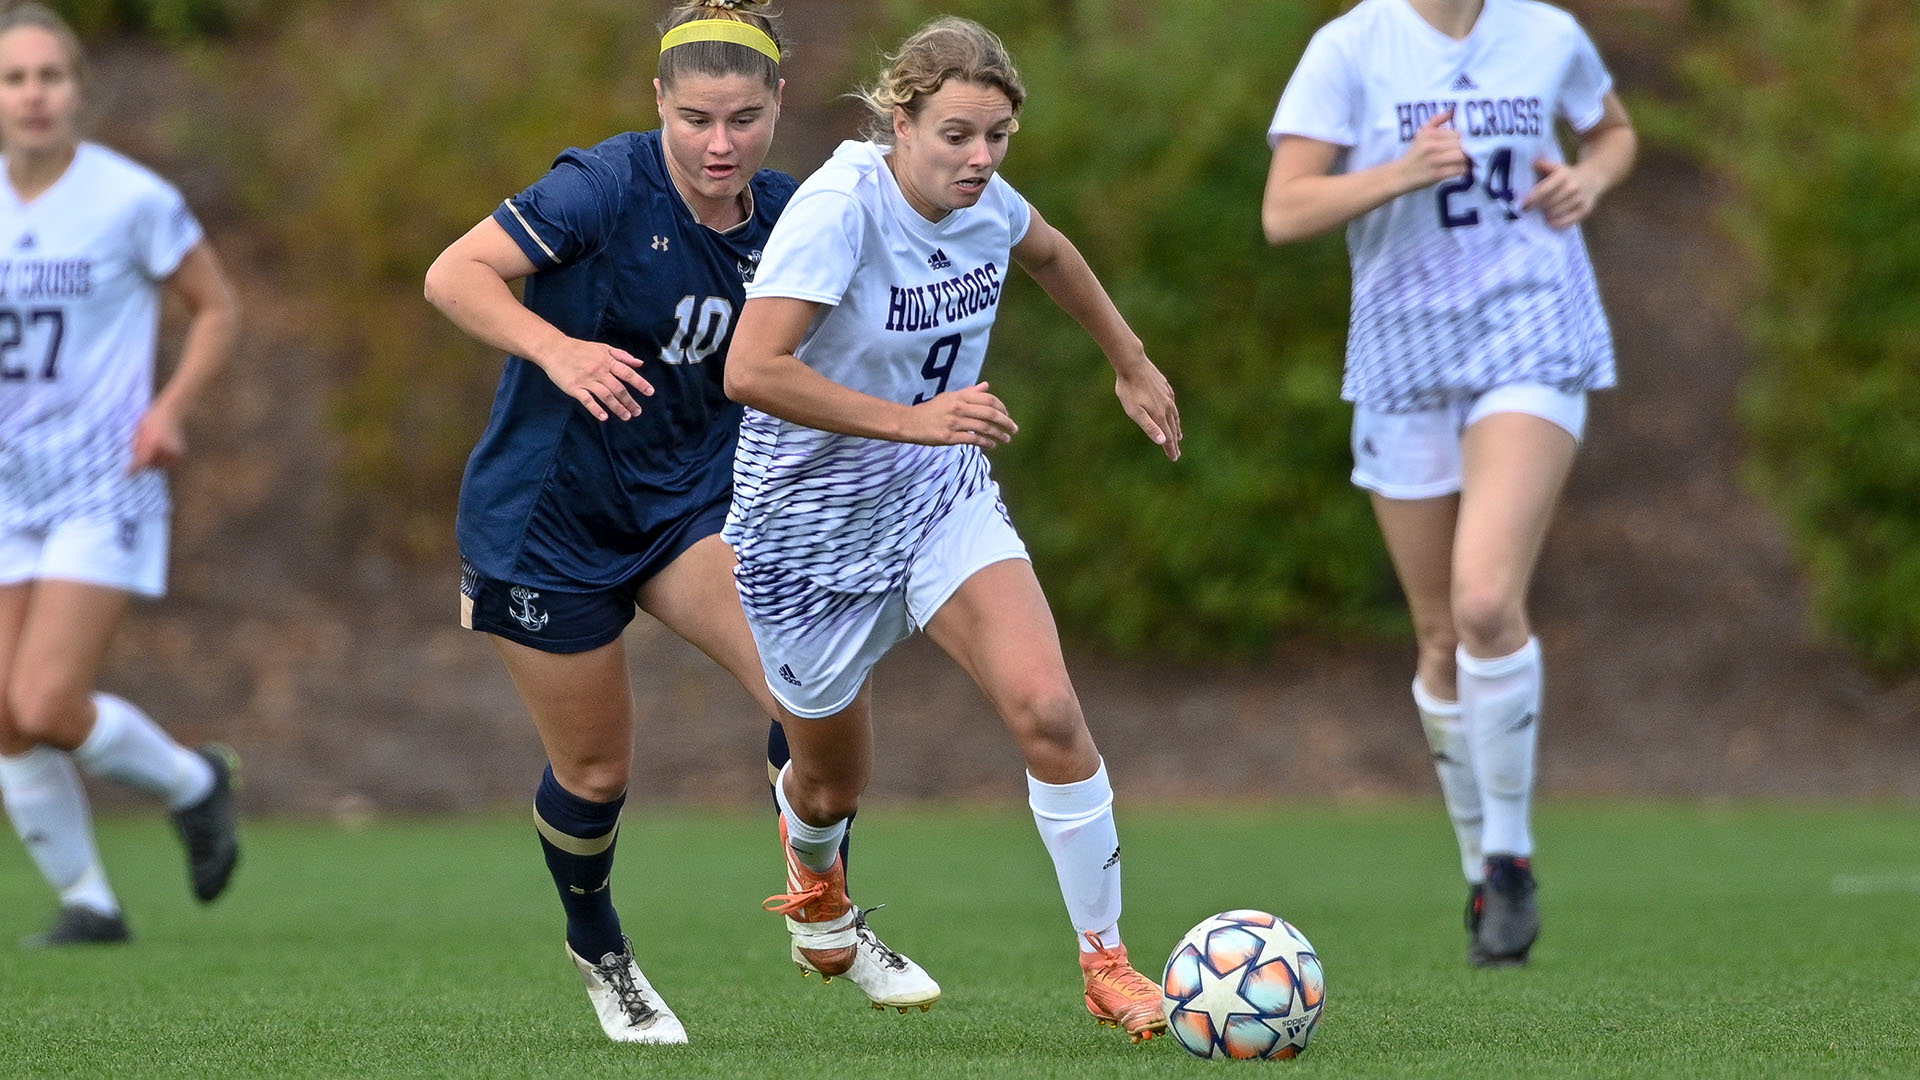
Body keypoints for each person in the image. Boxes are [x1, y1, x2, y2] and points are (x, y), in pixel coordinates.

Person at [423, 0, 937, 1045]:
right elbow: (453, 273)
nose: (719, 143)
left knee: (813, 699)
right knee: (598, 773)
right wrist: (556, 350)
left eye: (743, 117)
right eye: (696, 116)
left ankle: (823, 907)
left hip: (691, 507)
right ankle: (601, 949)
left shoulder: (796, 213)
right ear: (659, 102)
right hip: (549, 521)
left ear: (779, 103)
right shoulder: (604, 185)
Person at [723, 15, 1183, 1044]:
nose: (980, 161)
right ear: (902, 120)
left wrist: (1130, 361)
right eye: (958, 137)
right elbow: (748, 370)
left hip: (938, 498)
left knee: (1050, 710)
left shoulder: (987, 202)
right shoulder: (841, 210)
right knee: (831, 782)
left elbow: (1053, 254)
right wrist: (913, 418)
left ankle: (1106, 963)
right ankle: (815, 873)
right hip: (804, 538)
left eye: (998, 139)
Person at [1262, 0, 1636, 966]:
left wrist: (1590, 177)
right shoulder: (1351, 47)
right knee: (1437, 636)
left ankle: (1512, 859)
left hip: (1531, 332)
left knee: (1483, 603)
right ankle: (1482, 871)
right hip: (1402, 355)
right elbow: (1285, 209)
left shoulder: (1547, 33)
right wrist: (1400, 171)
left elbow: (1614, 129)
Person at [0, 2, 243, 948]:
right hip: (8, 483)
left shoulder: (128, 198)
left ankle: (194, 783)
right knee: (4, 715)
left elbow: (216, 309)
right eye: (14, 78)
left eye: (48, 76)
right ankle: (92, 904)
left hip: (102, 476)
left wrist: (168, 409)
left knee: (47, 702)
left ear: (78, 92)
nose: (32, 95)